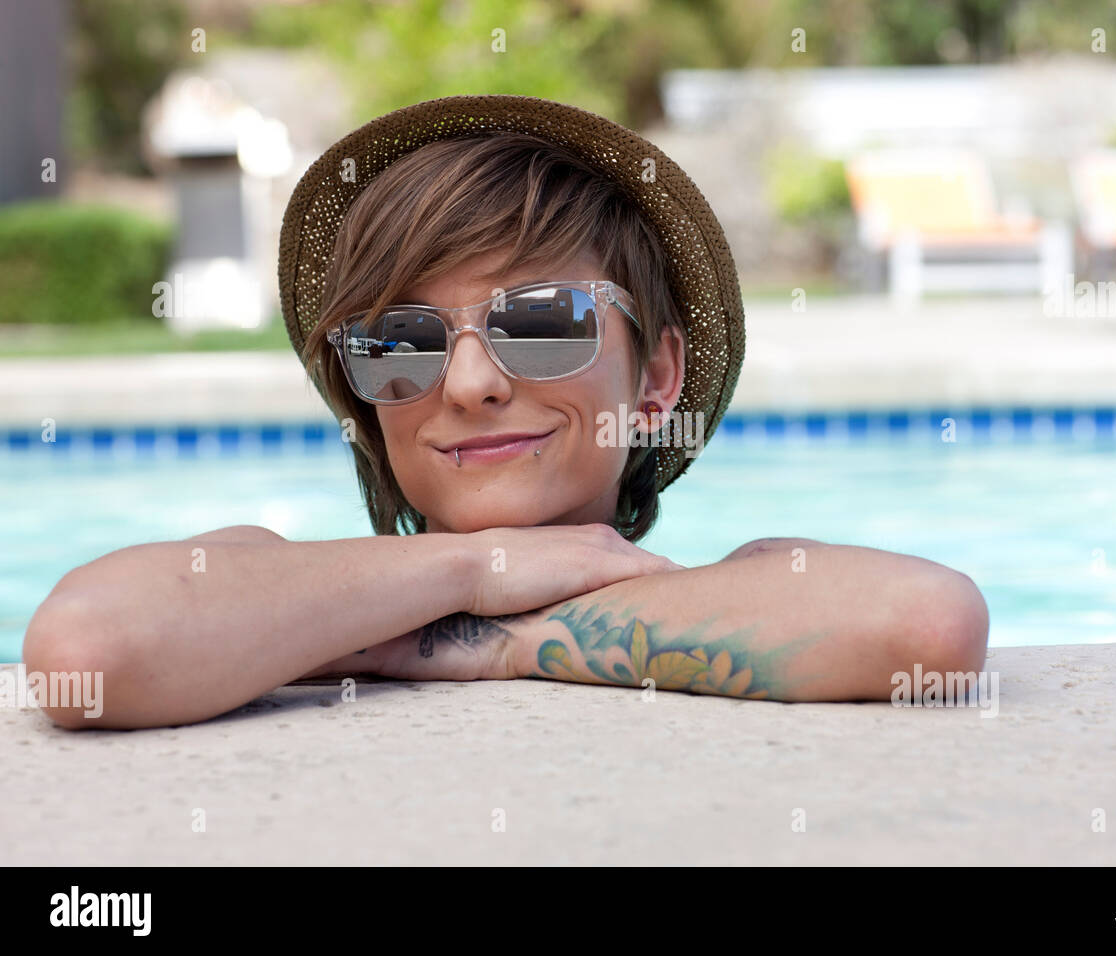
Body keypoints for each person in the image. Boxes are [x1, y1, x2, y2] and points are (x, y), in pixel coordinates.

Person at [24, 95, 988, 729]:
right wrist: (473, 568)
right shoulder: (251, 572)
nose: (471, 382)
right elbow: (87, 649)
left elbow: (928, 627)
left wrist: (483, 637)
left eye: (540, 321)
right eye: (402, 342)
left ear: (655, 383)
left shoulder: (751, 584)